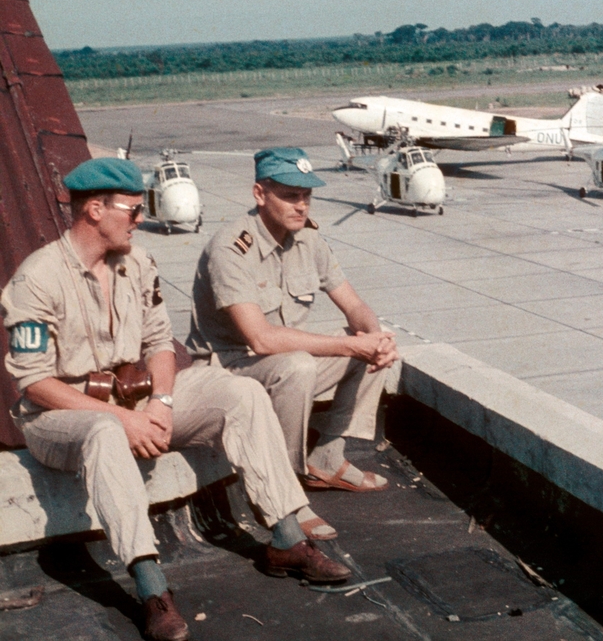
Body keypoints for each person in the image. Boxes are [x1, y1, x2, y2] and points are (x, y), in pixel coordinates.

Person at [1, 158, 351, 641]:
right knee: (104, 432)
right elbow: (35, 383)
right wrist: (124, 420)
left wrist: (161, 403)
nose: (141, 219)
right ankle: (152, 588)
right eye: (133, 210)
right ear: (95, 210)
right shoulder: (36, 278)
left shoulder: (137, 263)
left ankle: (286, 541)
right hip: (61, 414)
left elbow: (160, 344)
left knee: (241, 391)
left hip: (136, 396)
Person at [187, 147, 396, 506]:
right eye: (290, 196)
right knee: (298, 366)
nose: (301, 206)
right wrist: (351, 346)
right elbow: (261, 339)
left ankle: (327, 457)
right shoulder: (231, 249)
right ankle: (282, 489)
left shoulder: (307, 238)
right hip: (230, 370)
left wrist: (376, 340)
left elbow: (353, 305)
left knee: (376, 343)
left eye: (306, 196)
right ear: (260, 194)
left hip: (283, 364)